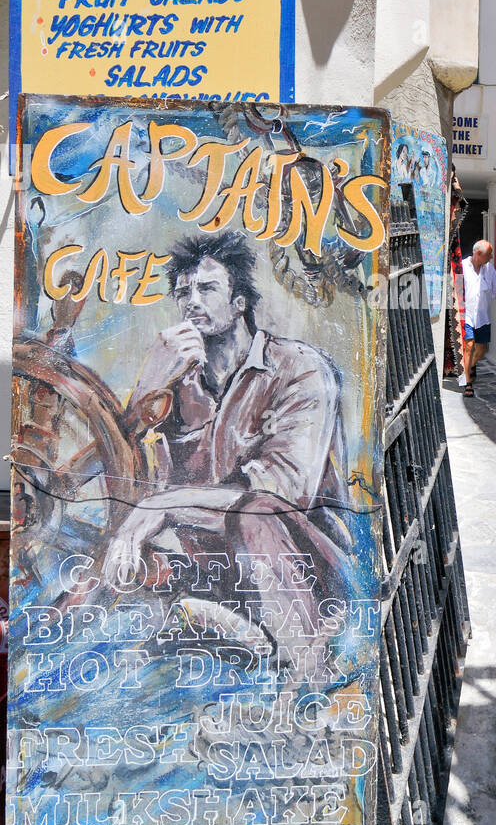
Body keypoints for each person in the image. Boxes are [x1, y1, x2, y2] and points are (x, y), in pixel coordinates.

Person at [100, 232, 352, 652]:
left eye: (207, 288)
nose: (191, 301)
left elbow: (283, 492)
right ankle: (216, 622)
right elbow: (134, 477)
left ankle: (309, 664)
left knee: (255, 513)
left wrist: (158, 507)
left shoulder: (300, 369)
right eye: (183, 292)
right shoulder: (181, 386)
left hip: (306, 568)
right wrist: (149, 389)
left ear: (240, 303)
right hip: (214, 566)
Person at [461, 239, 496, 396]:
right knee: (468, 346)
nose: (491, 257)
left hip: (482, 317)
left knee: (481, 349)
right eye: (489, 254)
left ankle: (470, 365)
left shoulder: (489, 269)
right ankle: (468, 383)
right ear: (478, 254)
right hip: (466, 315)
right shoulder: (462, 267)